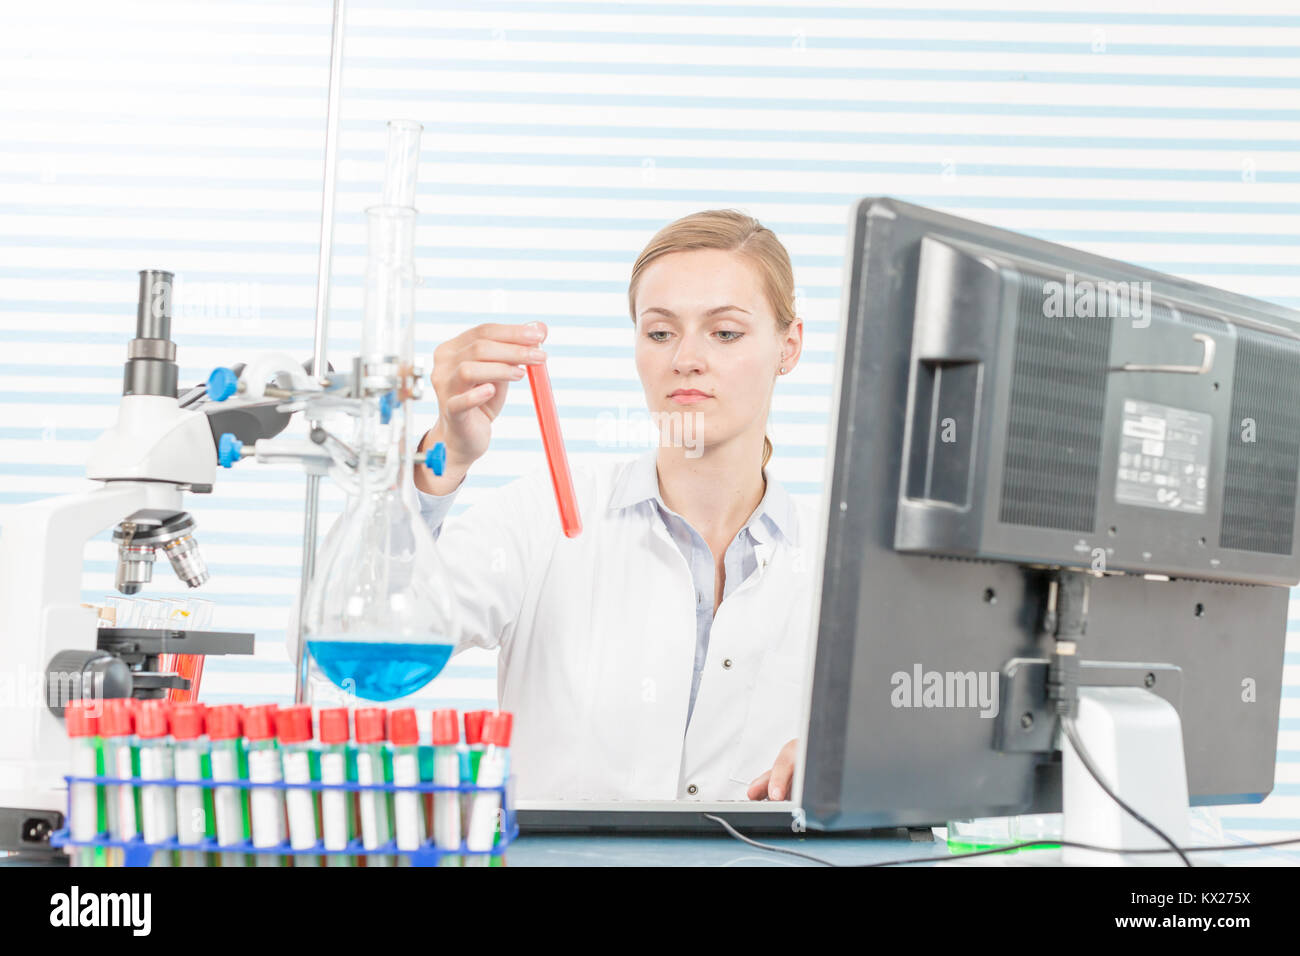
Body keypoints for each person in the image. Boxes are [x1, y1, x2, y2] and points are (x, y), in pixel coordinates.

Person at [411, 209, 814, 802]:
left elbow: (932, 743)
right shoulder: (545, 516)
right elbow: (346, 642)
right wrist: (442, 458)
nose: (686, 358)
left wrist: (869, 767)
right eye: (660, 332)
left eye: (725, 332)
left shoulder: (843, 565)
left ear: (789, 346)